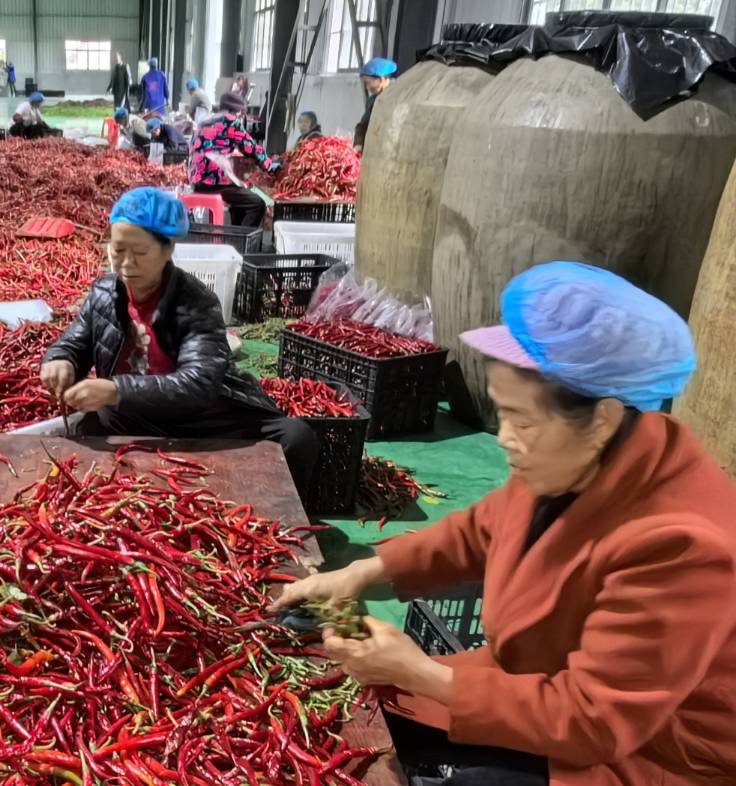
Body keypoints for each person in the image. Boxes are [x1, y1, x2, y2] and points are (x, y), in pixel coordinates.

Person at [274, 261, 736, 786]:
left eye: (523, 421)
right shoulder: (574, 459)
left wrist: (421, 671)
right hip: (541, 683)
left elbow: (595, 721)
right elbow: (481, 529)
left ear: (603, 419)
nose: (504, 438)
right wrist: (360, 573)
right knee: (376, 718)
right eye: (503, 415)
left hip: (650, 756)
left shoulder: (683, 545)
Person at [40, 187, 318, 501]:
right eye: (118, 250)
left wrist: (116, 390)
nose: (126, 263)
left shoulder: (197, 301)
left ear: (168, 248)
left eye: (140, 252)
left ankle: (284, 523)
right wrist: (60, 360)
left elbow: (199, 384)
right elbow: (75, 343)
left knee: (296, 438)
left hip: (201, 419)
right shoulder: (104, 293)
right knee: (77, 444)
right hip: (133, 416)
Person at [188, 92, 280, 227]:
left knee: (240, 203)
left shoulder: (207, 120)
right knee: (257, 204)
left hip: (197, 181)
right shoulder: (231, 121)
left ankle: (234, 238)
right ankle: (242, 244)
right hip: (213, 182)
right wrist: (270, 166)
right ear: (237, 112)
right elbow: (249, 147)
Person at [355, 57, 396, 152]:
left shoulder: (396, 98)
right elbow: (363, 124)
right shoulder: (372, 100)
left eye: (369, 83)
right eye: (366, 83)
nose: (368, 87)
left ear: (381, 79)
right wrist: (359, 142)